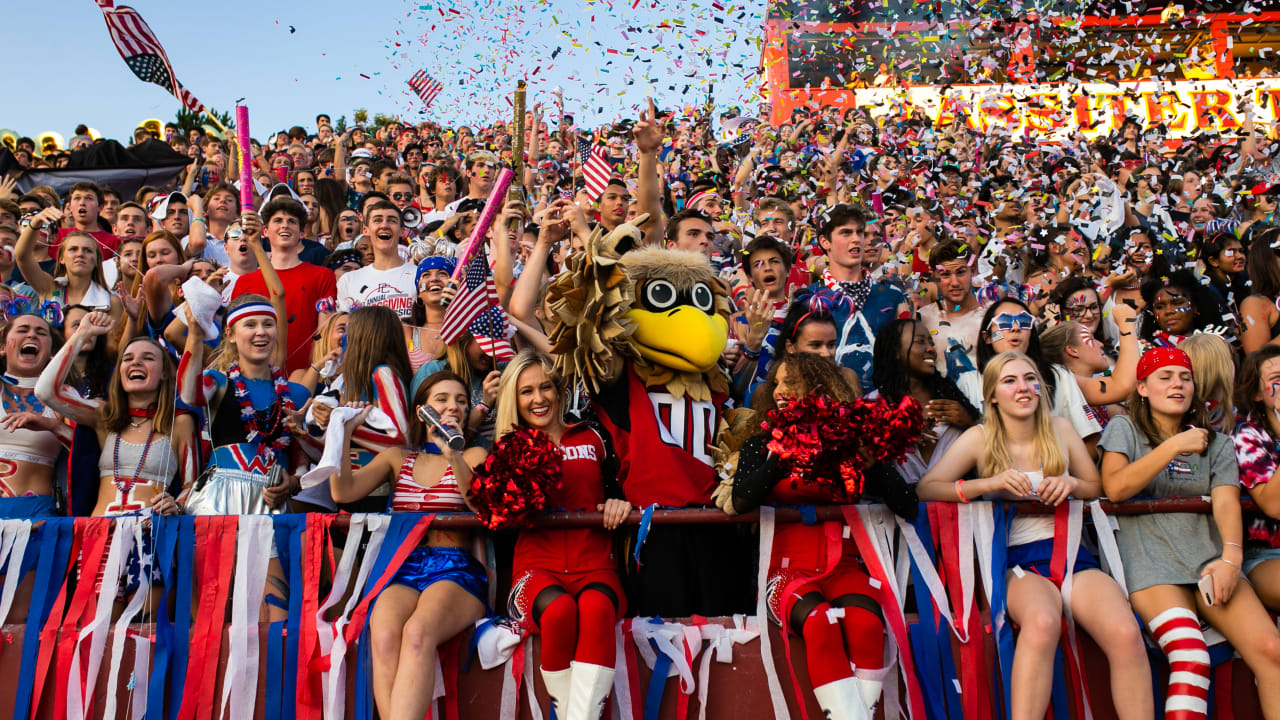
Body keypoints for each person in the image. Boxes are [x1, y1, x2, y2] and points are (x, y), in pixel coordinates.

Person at [919, 351, 1153, 720]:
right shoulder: (981, 437)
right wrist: (987, 484)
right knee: (1042, 621)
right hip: (1015, 560)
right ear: (992, 395)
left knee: (1124, 630)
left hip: (1074, 554)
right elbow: (927, 488)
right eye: (1010, 381)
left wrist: (1071, 482)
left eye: (1030, 379)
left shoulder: (1060, 428)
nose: (1023, 388)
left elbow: (1094, 485)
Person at [724, 352, 917, 720]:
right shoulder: (760, 443)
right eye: (776, 383)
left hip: (843, 568)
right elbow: (742, 500)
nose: (778, 391)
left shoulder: (846, 443)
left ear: (816, 388)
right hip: (785, 573)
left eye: (789, 383)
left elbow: (908, 505)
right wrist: (781, 452)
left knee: (867, 624)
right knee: (820, 622)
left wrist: (870, 459)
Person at [1100, 347, 1280, 718]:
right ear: (1143, 388)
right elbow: (1115, 488)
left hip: (1209, 562)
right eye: (1164, 377)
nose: (1177, 385)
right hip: (1153, 568)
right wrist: (1174, 446)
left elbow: (1227, 504)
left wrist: (1231, 560)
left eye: (1184, 378)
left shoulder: (1216, 441)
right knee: (1190, 656)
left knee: (1271, 650)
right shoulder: (1123, 429)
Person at [330, 371, 488, 720]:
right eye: (443, 399)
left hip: (455, 569)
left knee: (417, 633)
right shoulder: (397, 458)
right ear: (422, 412)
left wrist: (454, 454)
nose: (454, 407)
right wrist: (343, 433)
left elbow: (479, 505)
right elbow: (342, 492)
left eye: (461, 400)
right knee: (383, 634)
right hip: (404, 566)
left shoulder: (475, 454)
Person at [496, 351, 631, 720]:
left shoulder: (594, 436)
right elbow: (493, 512)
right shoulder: (509, 449)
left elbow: (623, 487)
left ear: (559, 391)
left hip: (596, 567)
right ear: (514, 398)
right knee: (558, 612)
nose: (538, 398)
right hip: (536, 572)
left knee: (596, 607)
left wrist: (620, 503)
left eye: (545, 387)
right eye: (526, 392)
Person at [37, 312, 193, 517]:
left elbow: (192, 484)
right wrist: (81, 335)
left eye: (148, 358)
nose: (136, 363)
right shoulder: (103, 416)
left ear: (165, 372)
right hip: (97, 536)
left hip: (150, 537)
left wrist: (177, 505)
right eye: (127, 359)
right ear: (119, 372)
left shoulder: (179, 421)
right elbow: (45, 391)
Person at [230, 198, 337, 374]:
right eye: (278, 221)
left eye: (292, 222)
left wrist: (314, 375)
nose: (285, 226)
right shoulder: (244, 282)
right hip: (257, 377)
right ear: (265, 231)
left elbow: (324, 335)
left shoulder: (323, 276)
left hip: (306, 377)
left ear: (302, 233)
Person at [871, 318, 979, 477]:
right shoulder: (874, 404)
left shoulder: (953, 399)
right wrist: (893, 434)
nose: (931, 349)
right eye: (920, 342)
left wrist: (971, 422)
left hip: (959, 498)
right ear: (895, 351)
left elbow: (990, 446)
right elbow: (866, 461)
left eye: (931, 343)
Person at [0, 314, 69, 517]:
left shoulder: (65, 399)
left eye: (41, 333)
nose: (32, 335)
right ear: (3, 347)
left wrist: (52, 426)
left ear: (51, 353)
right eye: (22, 330)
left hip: (36, 520)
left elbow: (90, 451)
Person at [1231, 346, 1280, 612]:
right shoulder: (1247, 435)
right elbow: (1274, 506)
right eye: (1277, 380)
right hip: (1265, 554)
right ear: (1257, 394)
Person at [15, 207, 120, 318]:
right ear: (61, 259)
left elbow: (116, 336)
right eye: (73, 249)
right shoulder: (50, 288)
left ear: (97, 260)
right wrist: (35, 222)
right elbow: (22, 256)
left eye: (88, 250)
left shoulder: (111, 301)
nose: (80, 254)